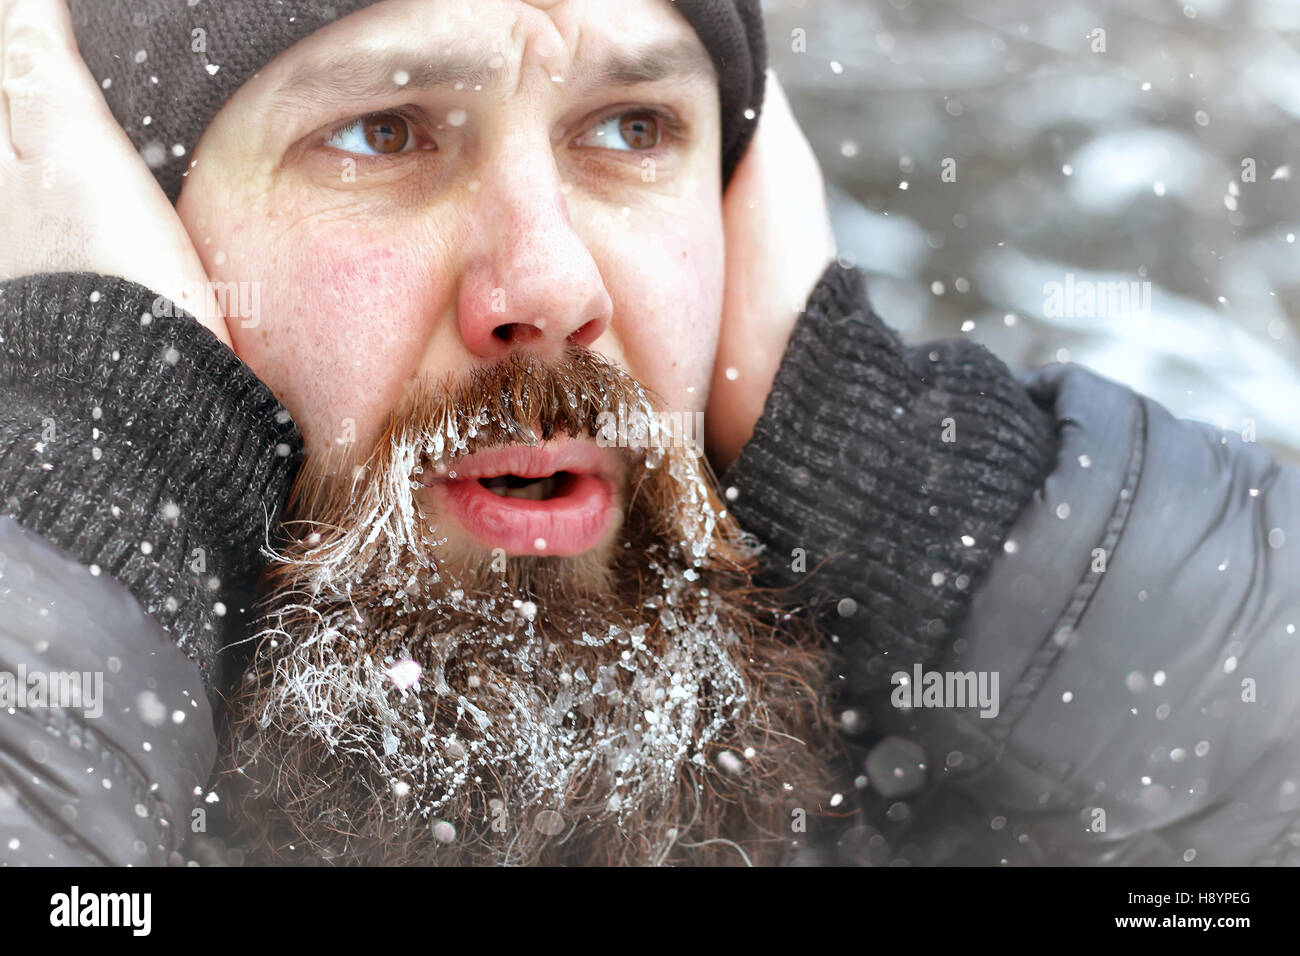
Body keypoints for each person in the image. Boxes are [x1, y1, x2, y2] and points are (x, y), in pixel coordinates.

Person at [1, 0, 1297, 867]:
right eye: (381, 134)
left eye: (633, 130)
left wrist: (924, 493)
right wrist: (109, 464)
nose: (555, 289)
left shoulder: (947, 772)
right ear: (124, 230)